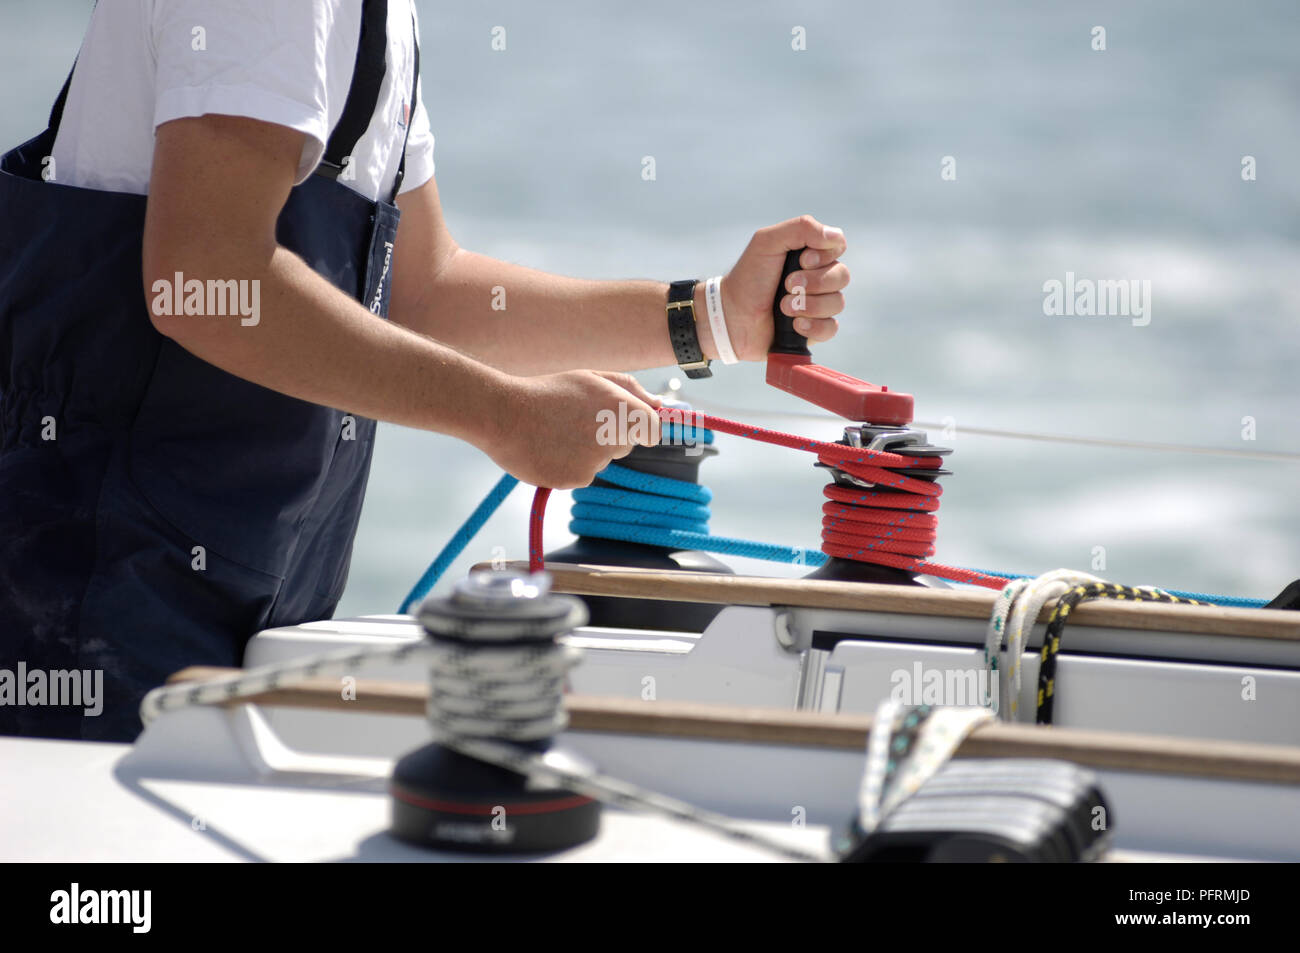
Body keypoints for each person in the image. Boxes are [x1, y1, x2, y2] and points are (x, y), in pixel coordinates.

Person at [0, 0, 851, 741]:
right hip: (94, 590)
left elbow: (424, 288)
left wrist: (712, 318)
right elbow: (205, 283)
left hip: (233, 595)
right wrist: (507, 417)